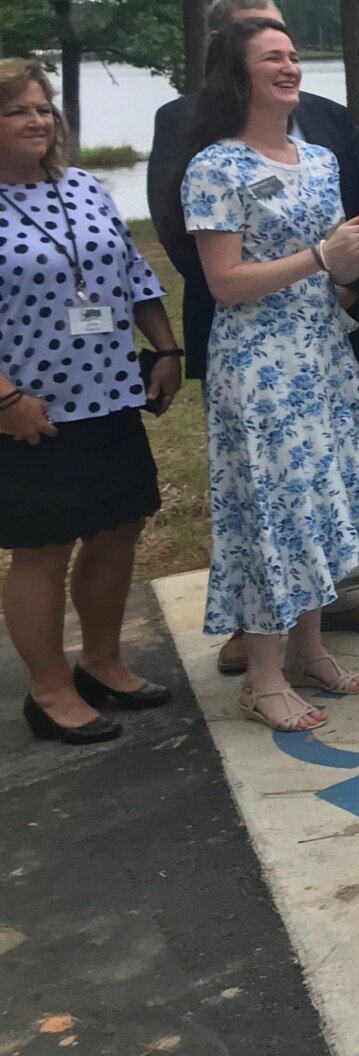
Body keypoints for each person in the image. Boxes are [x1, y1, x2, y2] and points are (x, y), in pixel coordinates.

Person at [148, 0, 359, 676]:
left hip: (322, 352)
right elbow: (225, 282)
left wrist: (354, 266)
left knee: (320, 506)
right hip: (258, 362)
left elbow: (331, 265)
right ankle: (264, 682)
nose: (291, 65)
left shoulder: (320, 161)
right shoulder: (215, 166)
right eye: (273, 57)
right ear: (238, 76)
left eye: (295, 54)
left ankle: (310, 649)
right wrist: (323, 258)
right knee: (273, 512)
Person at [2, 60, 184, 744]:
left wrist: (165, 351)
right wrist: (7, 401)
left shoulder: (84, 188)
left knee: (119, 527)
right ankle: (47, 692)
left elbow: (135, 275)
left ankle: (102, 663)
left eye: (43, 108)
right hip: (29, 410)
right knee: (43, 548)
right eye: (18, 110)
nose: (38, 120)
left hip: (109, 392)